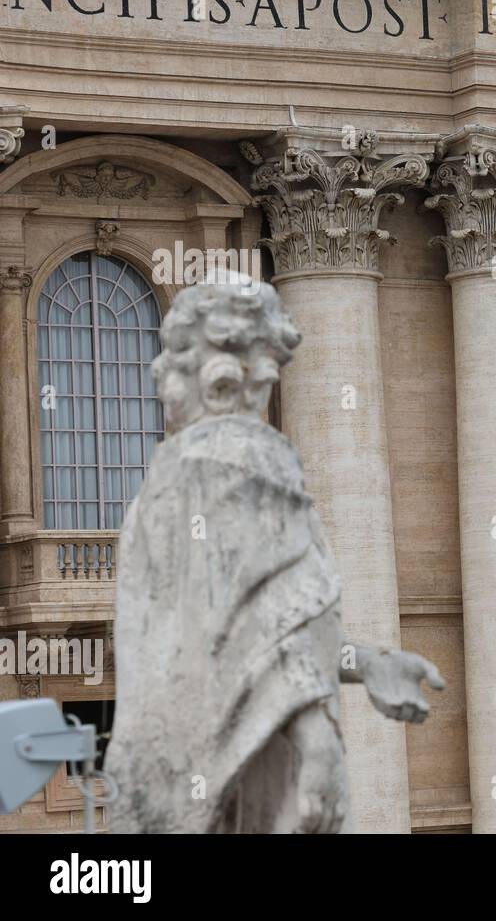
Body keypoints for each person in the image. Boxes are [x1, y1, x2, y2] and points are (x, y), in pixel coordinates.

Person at [106, 272, 444, 833]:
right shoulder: (236, 458)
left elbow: (264, 626)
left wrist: (368, 663)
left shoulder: (177, 472)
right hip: (243, 768)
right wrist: (317, 742)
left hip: (176, 772)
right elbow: (256, 626)